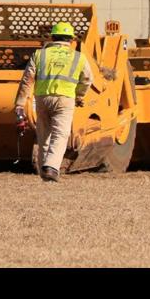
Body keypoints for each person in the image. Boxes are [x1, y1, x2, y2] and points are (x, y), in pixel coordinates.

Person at [15, 21, 93, 182]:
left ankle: (44, 173)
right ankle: (51, 167)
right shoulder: (78, 57)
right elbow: (87, 79)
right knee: (60, 134)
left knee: (43, 135)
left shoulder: (39, 54)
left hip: (42, 98)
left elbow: (27, 80)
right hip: (65, 99)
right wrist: (79, 96)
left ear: (52, 37)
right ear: (71, 39)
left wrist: (20, 103)